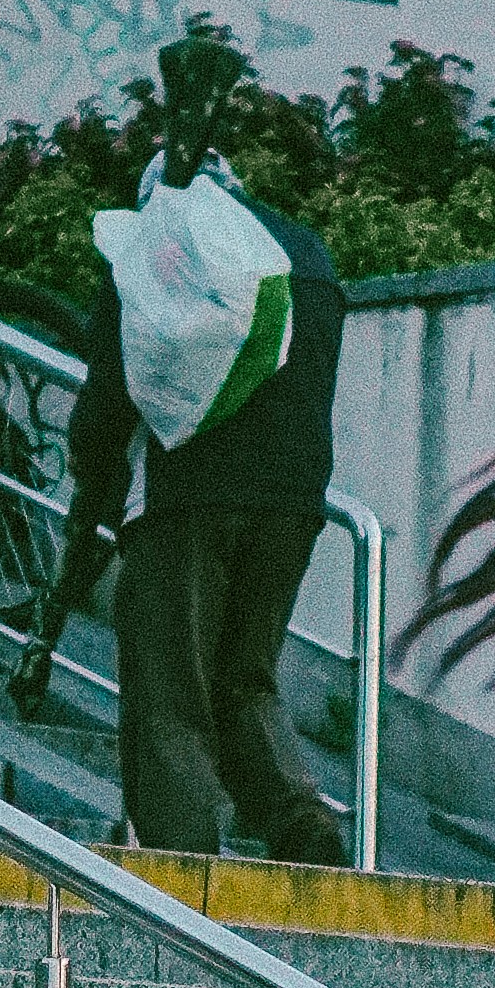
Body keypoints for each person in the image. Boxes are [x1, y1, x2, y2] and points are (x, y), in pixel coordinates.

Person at [32, 50, 345, 865]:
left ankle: (180, 859)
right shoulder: (303, 255)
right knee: (247, 673)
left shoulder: (154, 253)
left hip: (183, 498)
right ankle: (297, 817)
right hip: (295, 498)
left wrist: (88, 497)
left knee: (171, 684)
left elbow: (109, 401)